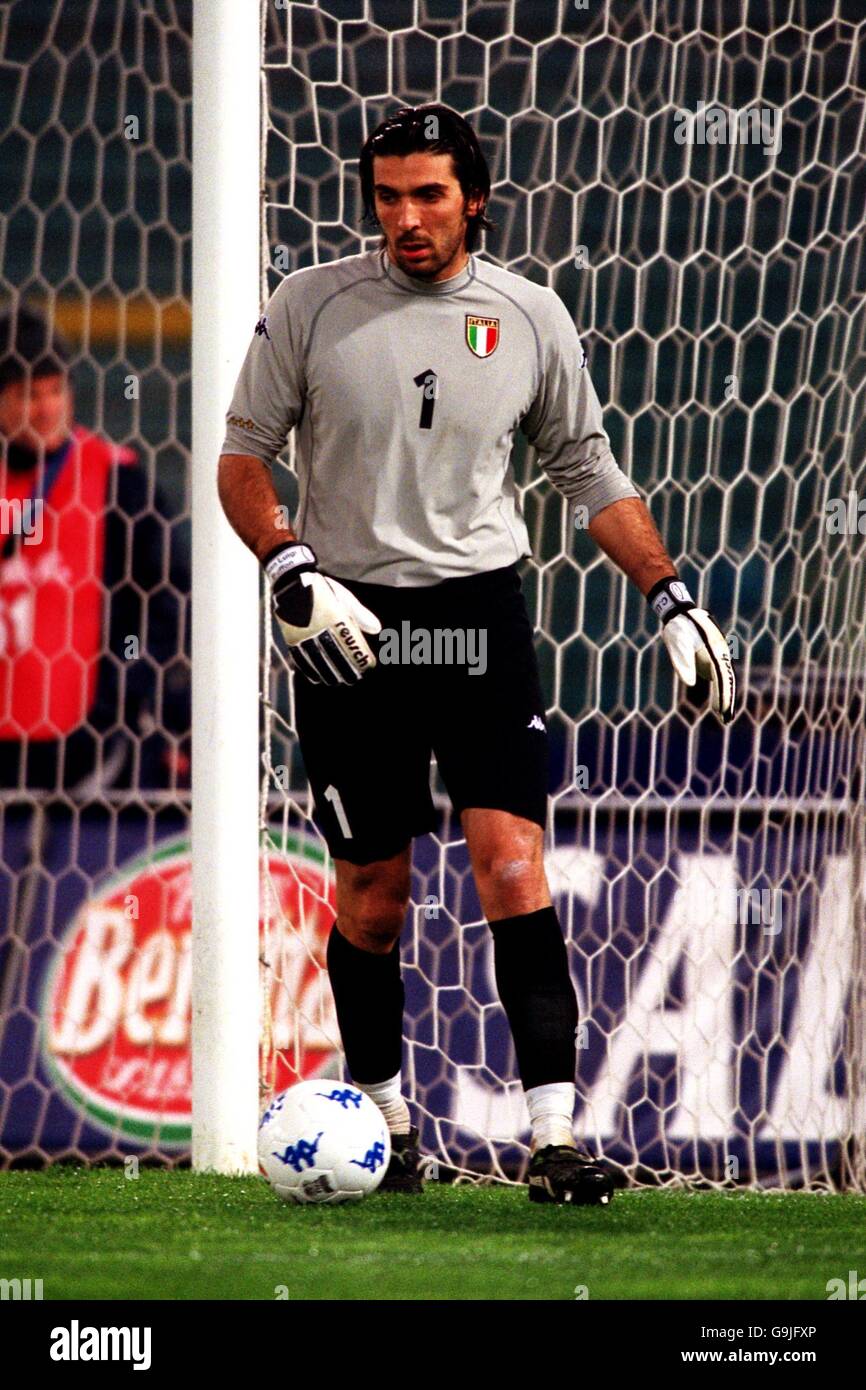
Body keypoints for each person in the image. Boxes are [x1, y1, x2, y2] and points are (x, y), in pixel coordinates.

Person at [218, 104, 735, 1204]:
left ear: (474, 200)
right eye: (389, 195)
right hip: (345, 621)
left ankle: (551, 1140)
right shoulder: (307, 305)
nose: (405, 217)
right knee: (371, 893)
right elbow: (242, 459)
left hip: (478, 621)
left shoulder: (530, 314)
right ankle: (389, 1126)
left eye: (429, 195)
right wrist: (286, 564)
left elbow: (589, 472)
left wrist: (669, 592)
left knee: (510, 866)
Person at [0, 306, 189, 794]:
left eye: (55, 391)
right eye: (26, 396)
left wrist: (129, 689)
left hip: (88, 743)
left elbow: (168, 597)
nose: (46, 409)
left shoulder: (116, 478)